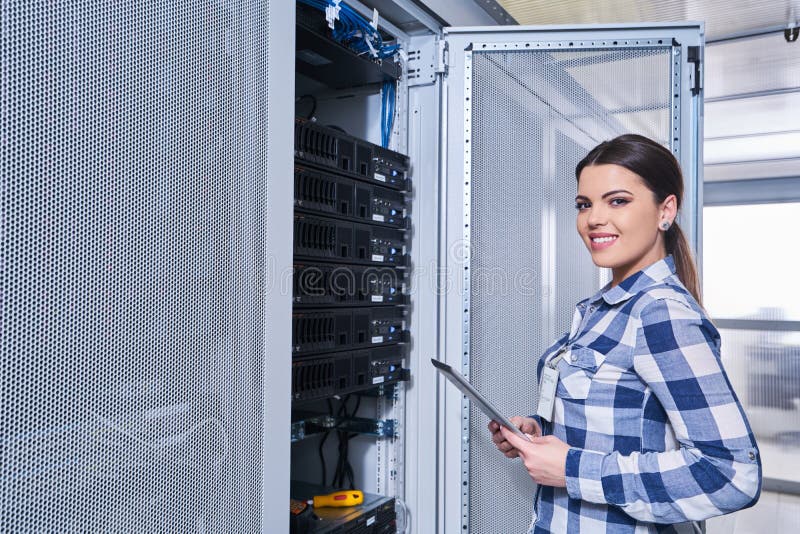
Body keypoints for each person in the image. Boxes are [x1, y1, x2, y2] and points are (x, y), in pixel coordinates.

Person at [488, 134, 761, 533]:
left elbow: (731, 474)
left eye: (617, 201)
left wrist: (570, 467)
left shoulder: (661, 314)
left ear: (665, 210)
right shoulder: (600, 309)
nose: (594, 218)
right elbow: (626, 423)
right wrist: (539, 434)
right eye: (584, 204)